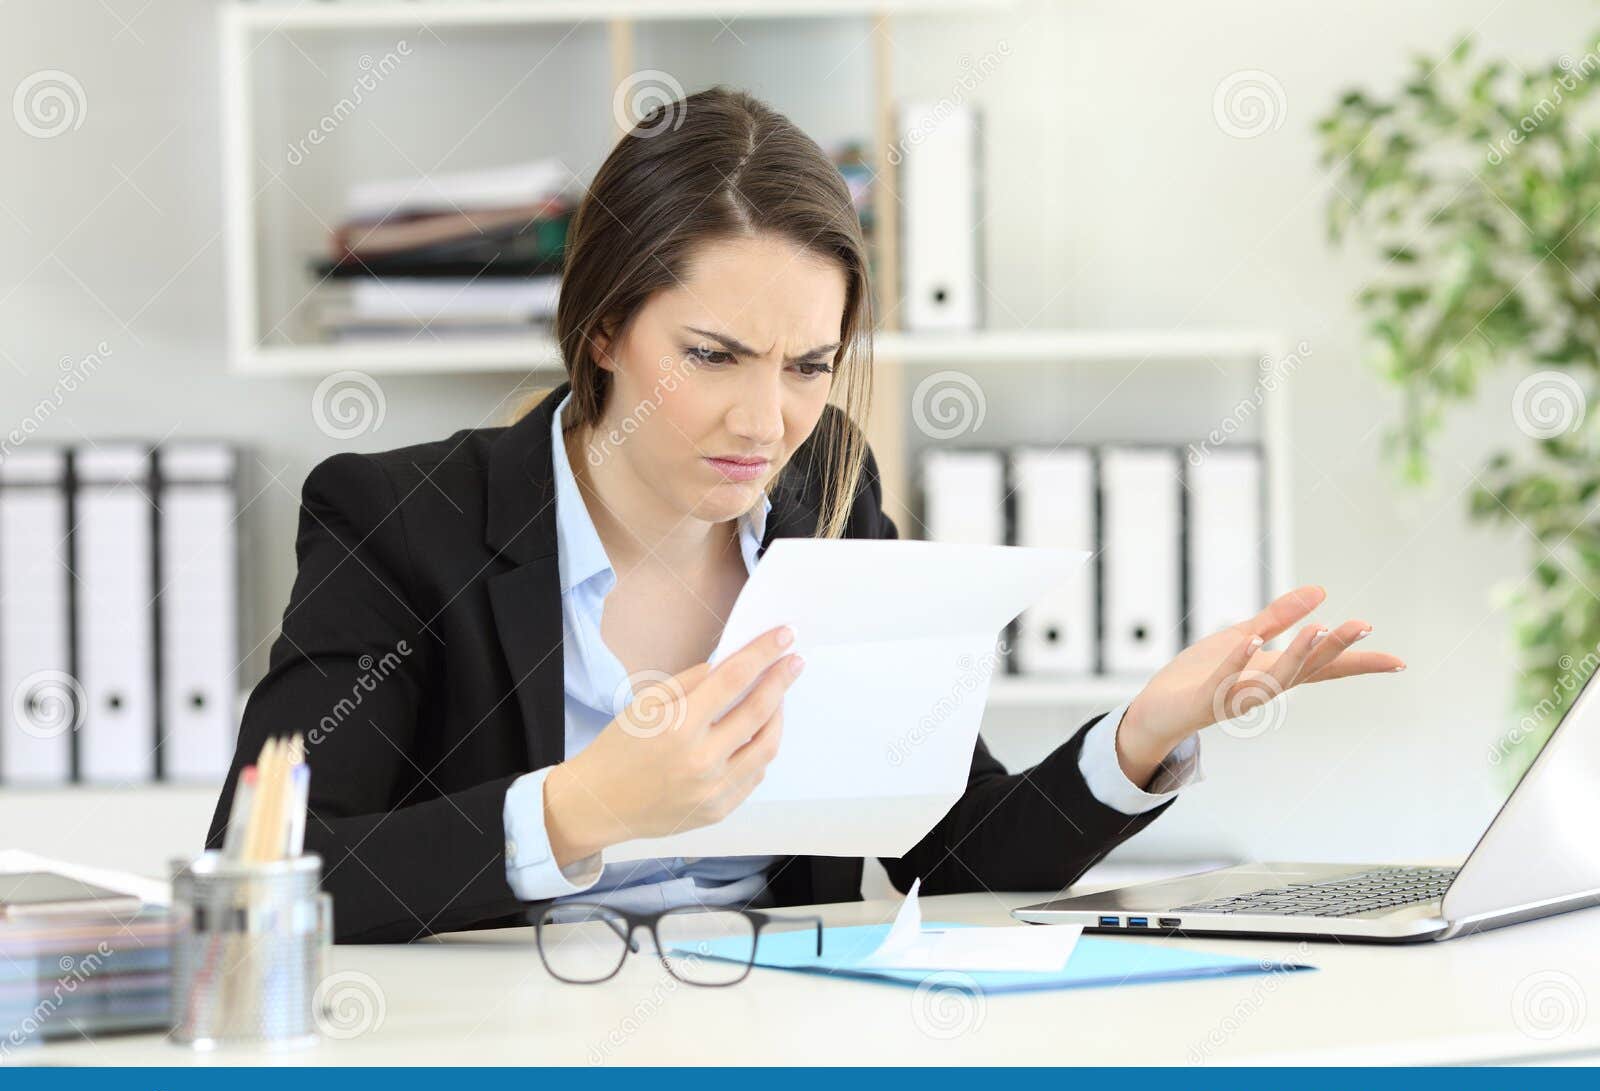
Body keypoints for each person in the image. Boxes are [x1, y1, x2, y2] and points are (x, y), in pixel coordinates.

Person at [206, 87, 1403, 944]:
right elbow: (264, 872)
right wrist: (585, 807)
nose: (763, 419)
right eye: (713, 354)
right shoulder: (401, 517)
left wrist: (1143, 731)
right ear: (605, 330)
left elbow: (946, 843)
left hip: (767, 1053)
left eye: (807, 364)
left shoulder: (825, 484)